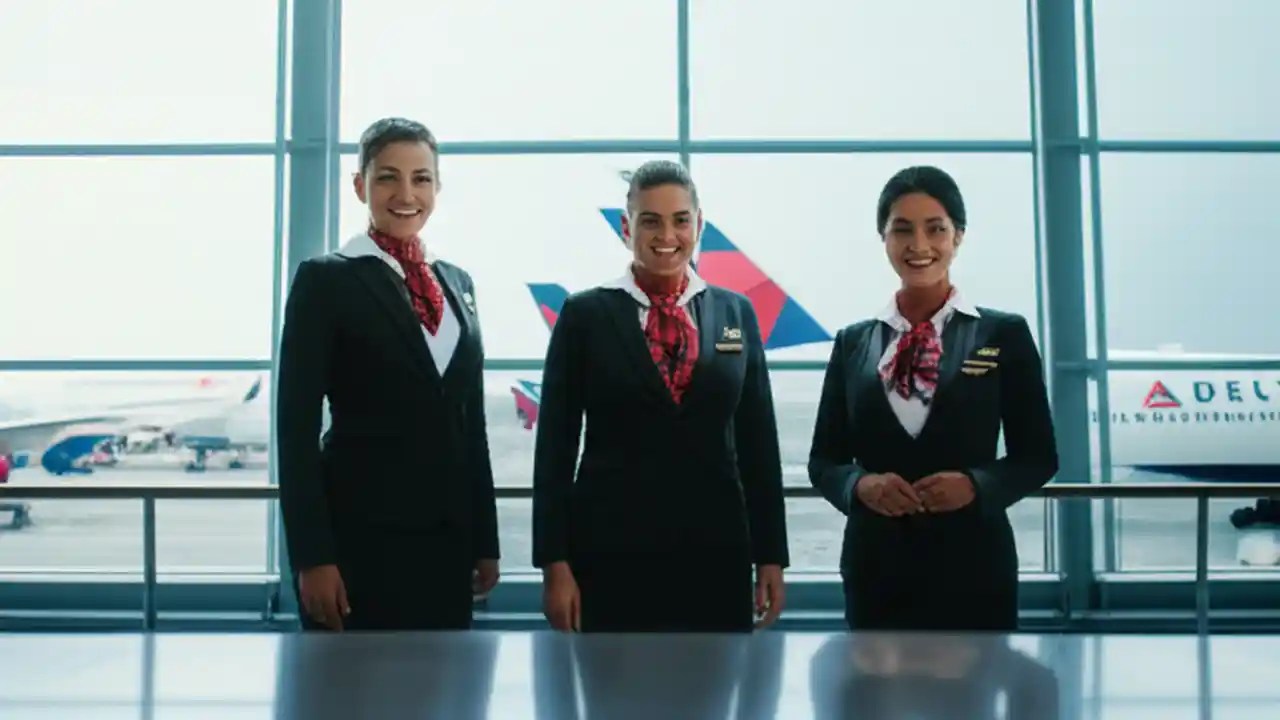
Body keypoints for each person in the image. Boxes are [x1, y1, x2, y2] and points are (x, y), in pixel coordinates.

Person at [532, 160, 789, 633]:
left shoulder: (736, 312)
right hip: (610, 554)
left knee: (711, 700)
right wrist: (554, 563)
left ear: (700, 225)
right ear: (627, 227)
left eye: (680, 220)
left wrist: (771, 556)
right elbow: (554, 450)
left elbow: (759, 444)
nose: (666, 234)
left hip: (717, 556)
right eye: (650, 220)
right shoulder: (584, 315)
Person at [807, 165, 1058, 631]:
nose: (918, 245)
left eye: (935, 229)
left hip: (974, 564)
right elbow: (825, 460)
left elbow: (1038, 456)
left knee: (971, 701)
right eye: (901, 230)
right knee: (870, 701)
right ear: (883, 238)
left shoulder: (1003, 333)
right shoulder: (854, 343)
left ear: (958, 237)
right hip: (875, 566)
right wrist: (861, 486)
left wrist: (976, 485)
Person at [276, 117, 499, 631]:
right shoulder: (327, 280)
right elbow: (296, 429)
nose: (406, 193)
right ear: (360, 186)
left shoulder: (457, 282)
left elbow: (473, 426)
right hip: (358, 543)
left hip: (446, 546)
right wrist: (313, 557)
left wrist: (484, 540)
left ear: (437, 188)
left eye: (421, 178)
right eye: (387, 178)